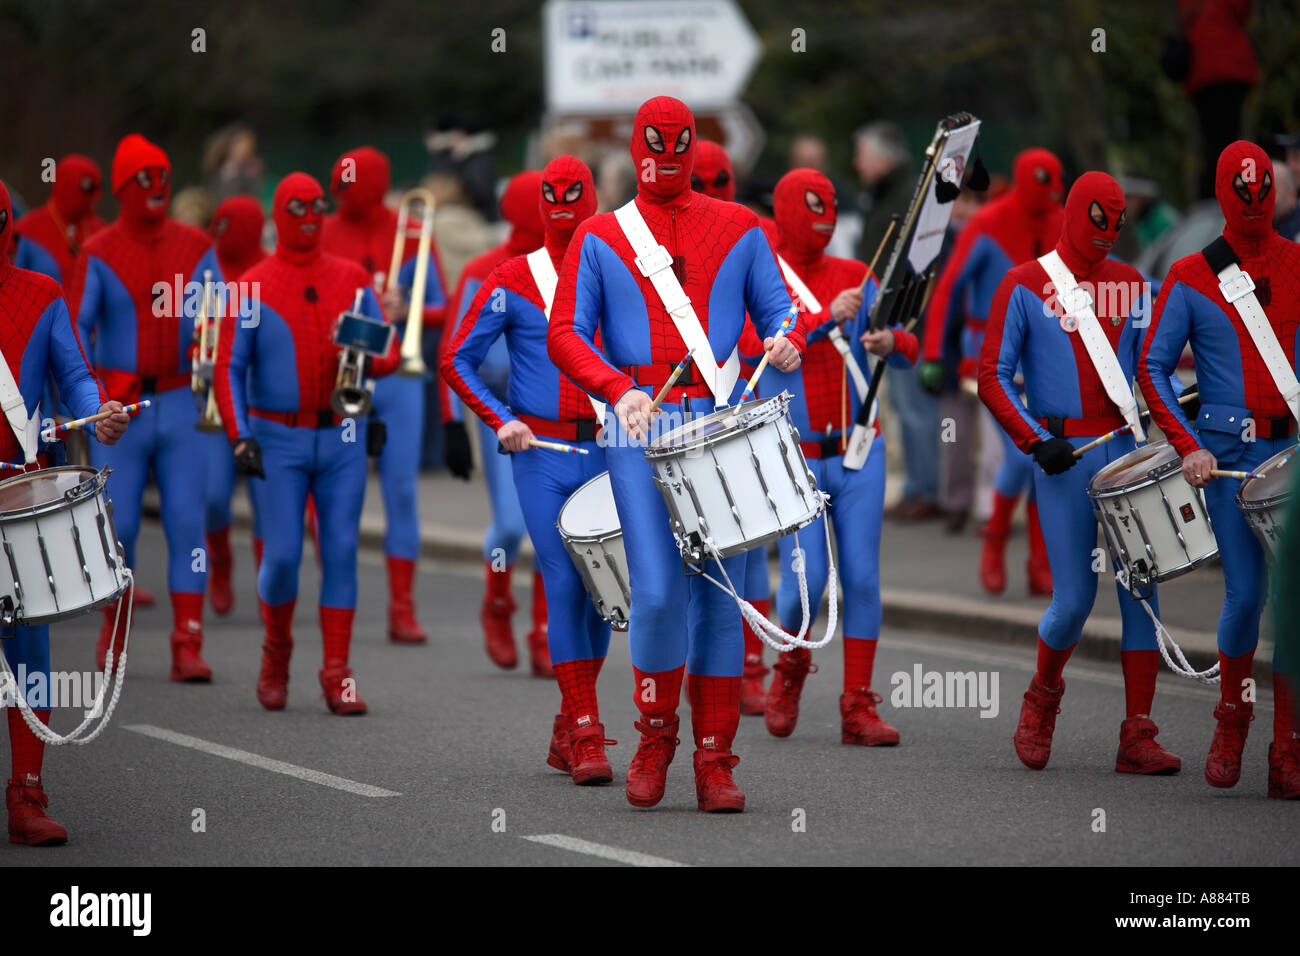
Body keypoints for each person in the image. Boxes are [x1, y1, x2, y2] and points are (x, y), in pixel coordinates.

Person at [548, 96, 803, 813]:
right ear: (636, 148)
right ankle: (656, 738)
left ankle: (715, 760)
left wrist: (789, 338)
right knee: (657, 592)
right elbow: (565, 331)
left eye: (678, 144)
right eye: (654, 144)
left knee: (722, 599)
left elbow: (781, 309)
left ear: (694, 145)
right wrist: (615, 387)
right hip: (637, 427)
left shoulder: (742, 227)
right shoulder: (600, 236)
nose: (666, 155)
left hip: (720, 426)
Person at [979, 171, 1181, 775]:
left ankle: (1137, 733)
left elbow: (1155, 367)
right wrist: (1036, 441)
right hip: (1063, 457)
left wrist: (1182, 418)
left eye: (1114, 225)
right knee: (1072, 600)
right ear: (1075, 213)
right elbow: (993, 375)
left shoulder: (1133, 283)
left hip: (1128, 453)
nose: (1105, 236)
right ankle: (1041, 700)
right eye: (1098, 221)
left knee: (1142, 591)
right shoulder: (1024, 284)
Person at [442, 155, 615, 785]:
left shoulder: (617, 266)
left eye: (576, 195)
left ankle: (567, 725)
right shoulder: (513, 277)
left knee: (606, 597)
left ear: (590, 197)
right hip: (539, 453)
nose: (565, 205)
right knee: (563, 584)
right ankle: (588, 732)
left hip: (607, 450)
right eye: (555, 196)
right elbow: (458, 359)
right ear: (543, 203)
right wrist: (498, 420)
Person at [1138, 141, 1299, 798]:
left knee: (1289, 607)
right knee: (1244, 596)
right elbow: (1152, 368)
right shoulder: (1189, 275)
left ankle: (1286, 740)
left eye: (1265, 194)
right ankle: (1232, 719)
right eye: (1247, 195)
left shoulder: (1297, 264)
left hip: (1289, 457)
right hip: (1228, 461)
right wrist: (1186, 445)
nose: (1257, 206)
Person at [215, 172, 398, 715]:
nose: (311, 214)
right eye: (298, 206)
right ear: (279, 212)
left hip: (342, 433)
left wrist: (360, 345)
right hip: (277, 437)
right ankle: (276, 652)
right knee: (283, 555)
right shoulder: (252, 286)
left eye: (318, 204)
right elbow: (229, 366)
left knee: (341, 550)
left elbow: (386, 358)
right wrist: (239, 434)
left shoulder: (352, 277)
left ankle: (338, 672)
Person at [758, 168, 918, 746]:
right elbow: (762, 353)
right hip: (794, 455)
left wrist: (889, 342)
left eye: (828, 206)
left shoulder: (857, 274)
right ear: (786, 209)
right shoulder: (763, 275)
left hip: (858, 448)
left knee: (863, 578)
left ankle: (857, 705)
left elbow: (908, 350)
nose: (822, 218)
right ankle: (790, 673)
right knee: (807, 577)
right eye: (811, 206)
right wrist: (827, 318)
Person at [0, 178, 130, 845]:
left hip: (19, 487)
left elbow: (74, 375)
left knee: (29, 646)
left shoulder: (41, 294)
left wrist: (99, 409)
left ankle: (27, 795)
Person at [73, 134, 220, 681]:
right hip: (123, 408)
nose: (156, 187)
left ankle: (188, 641)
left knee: (187, 521)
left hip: (182, 398)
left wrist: (218, 380)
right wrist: (95, 394)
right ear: (121, 187)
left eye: (162, 176)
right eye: (144, 179)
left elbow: (222, 321)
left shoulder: (197, 245)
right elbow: (77, 330)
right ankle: (114, 629)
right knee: (122, 524)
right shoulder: (99, 251)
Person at [921, 148, 1065, 596]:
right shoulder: (987, 223)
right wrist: (932, 354)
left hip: (1049, 356)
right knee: (1026, 456)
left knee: (1050, 463)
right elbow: (948, 287)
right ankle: (996, 544)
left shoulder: (1062, 221)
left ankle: (1041, 564)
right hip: (992, 355)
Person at [323, 146, 448, 645]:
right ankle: (337, 597)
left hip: (400, 374)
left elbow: (441, 307)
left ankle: (403, 606)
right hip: (346, 371)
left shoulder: (413, 231)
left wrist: (407, 307)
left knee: (400, 491)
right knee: (341, 495)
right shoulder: (325, 232)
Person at [441, 171, 550, 673]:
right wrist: (449, 424)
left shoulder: (573, 263)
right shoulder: (484, 269)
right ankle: (497, 601)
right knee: (510, 526)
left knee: (558, 530)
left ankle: (545, 632)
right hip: (500, 413)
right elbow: (454, 351)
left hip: (563, 415)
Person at [691, 139, 774, 715]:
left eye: (721, 179)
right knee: (691, 564)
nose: (712, 188)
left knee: (752, 538)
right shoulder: (661, 238)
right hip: (695, 406)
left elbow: (781, 312)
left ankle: (753, 665)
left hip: (750, 406)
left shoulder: (750, 230)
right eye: (705, 179)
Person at [204, 195, 267, 615]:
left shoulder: (268, 270)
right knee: (213, 496)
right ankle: (221, 561)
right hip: (213, 396)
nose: (222, 233)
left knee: (266, 497)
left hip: (260, 397)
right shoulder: (204, 268)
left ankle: (268, 584)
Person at [1177, 0, 1258, 198]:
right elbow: (1242, 10)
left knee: (1212, 142)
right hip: (1228, 72)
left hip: (1200, 77)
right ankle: (1223, 193)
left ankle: (1212, 193)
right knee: (1226, 141)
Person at [13, 155, 104, 287]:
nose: (96, 196)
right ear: (66, 186)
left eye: (98, 188)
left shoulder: (100, 231)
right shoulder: (27, 229)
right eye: (88, 188)